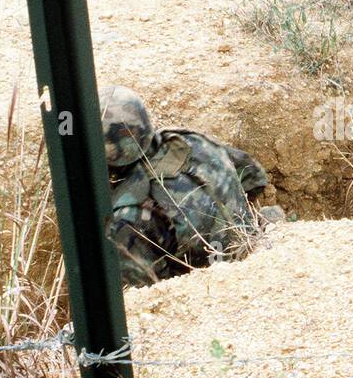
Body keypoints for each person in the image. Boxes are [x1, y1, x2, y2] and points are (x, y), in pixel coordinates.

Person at [100, 85, 268, 287]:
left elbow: (152, 293)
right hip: (257, 248)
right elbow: (254, 177)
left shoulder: (128, 214)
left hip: (219, 289)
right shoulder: (189, 139)